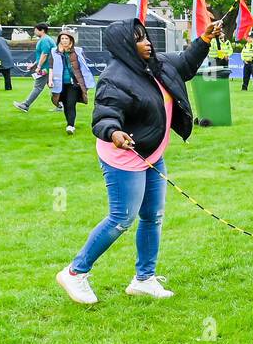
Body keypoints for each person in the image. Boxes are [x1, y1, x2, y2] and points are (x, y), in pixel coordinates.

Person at [56, 18, 223, 305]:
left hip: (152, 153)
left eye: (146, 37)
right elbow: (105, 114)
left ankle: (144, 279)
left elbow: (186, 62)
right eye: (139, 39)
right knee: (122, 218)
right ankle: (75, 272)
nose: (147, 43)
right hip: (124, 156)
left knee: (152, 216)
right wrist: (114, 131)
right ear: (124, 46)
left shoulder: (158, 64)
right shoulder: (115, 77)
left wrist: (205, 38)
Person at [50, 31, 97, 135]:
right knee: (66, 104)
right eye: (62, 39)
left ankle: (71, 125)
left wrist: (85, 82)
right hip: (60, 84)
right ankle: (69, 123)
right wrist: (50, 80)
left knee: (71, 104)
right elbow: (51, 67)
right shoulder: (55, 52)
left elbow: (84, 67)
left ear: (71, 40)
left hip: (74, 83)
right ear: (59, 40)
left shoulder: (77, 51)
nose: (64, 41)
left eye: (66, 38)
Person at [14, 24, 56, 112]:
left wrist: (39, 66)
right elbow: (41, 55)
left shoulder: (45, 40)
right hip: (48, 67)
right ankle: (61, 106)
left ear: (42, 30)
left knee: (38, 87)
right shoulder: (45, 39)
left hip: (46, 68)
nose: (34, 32)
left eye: (36, 30)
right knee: (52, 87)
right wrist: (34, 65)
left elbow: (44, 54)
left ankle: (25, 105)